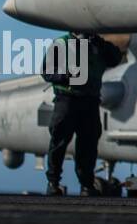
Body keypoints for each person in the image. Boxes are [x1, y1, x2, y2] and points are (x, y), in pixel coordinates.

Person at [41, 31, 123, 195]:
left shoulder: (98, 45)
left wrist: (101, 44)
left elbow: (115, 59)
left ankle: (87, 185)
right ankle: (53, 182)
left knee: (89, 144)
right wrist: (66, 76)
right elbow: (47, 72)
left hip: (90, 100)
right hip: (67, 99)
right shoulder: (62, 43)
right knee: (59, 141)